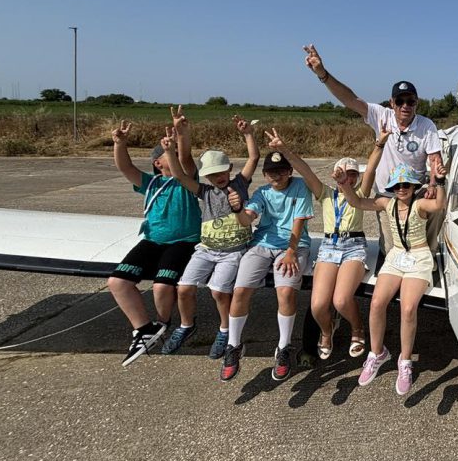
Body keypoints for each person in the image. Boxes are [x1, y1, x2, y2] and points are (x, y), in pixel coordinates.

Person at [302, 44, 443, 255]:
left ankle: (427, 255)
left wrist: (433, 184)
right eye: (401, 101)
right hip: (388, 193)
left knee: (437, 206)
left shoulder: (426, 125)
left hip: (415, 191)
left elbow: (434, 160)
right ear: (392, 103)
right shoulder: (381, 115)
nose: (406, 106)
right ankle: (392, 261)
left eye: (411, 101)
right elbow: (350, 99)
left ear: (417, 103)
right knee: (391, 249)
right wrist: (322, 73)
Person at [262, 127, 384, 366]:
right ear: (334, 174)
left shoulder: (359, 192)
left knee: (340, 300)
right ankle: (327, 331)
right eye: (343, 173)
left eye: (352, 174)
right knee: (318, 305)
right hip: (329, 246)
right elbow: (304, 169)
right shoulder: (325, 193)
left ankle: (357, 328)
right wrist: (283, 149)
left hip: (354, 246)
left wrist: (378, 146)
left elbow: (371, 168)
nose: (347, 178)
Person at [335, 160, 447, 396]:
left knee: (408, 309)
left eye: (406, 184)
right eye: (397, 185)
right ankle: (377, 353)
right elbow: (356, 202)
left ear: (413, 186)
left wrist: (439, 181)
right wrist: (345, 185)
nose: (401, 189)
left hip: (418, 256)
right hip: (397, 255)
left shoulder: (419, 205)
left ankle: (405, 361)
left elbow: (439, 203)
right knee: (376, 303)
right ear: (392, 188)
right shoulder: (388, 203)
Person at [106, 107, 202, 366]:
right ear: (158, 163)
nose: (175, 159)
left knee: (161, 286)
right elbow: (125, 166)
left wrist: (182, 134)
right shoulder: (149, 183)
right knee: (117, 282)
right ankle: (143, 327)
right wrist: (120, 144)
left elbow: (187, 158)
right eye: (166, 155)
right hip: (152, 240)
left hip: (183, 242)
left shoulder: (186, 180)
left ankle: (162, 324)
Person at [158, 114, 259, 357]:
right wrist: (170, 151)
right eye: (212, 174)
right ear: (206, 177)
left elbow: (254, 157)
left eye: (221, 171)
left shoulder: (240, 185)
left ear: (229, 169)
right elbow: (181, 176)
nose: (218, 177)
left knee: (219, 291)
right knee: (183, 288)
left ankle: (225, 329)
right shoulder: (204, 191)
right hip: (206, 249)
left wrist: (247, 134)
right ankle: (185, 325)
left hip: (232, 252)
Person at [221, 145, 314, 383]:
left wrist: (291, 251)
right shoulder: (261, 192)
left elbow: (298, 222)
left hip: (293, 245)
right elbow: (246, 220)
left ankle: (283, 347)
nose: (276, 176)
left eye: (281, 171)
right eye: (272, 172)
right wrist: (238, 208)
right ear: (265, 175)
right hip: (262, 243)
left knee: (285, 291)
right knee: (240, 290)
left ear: (290, 171)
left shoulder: (300, 187)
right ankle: (233, 345)